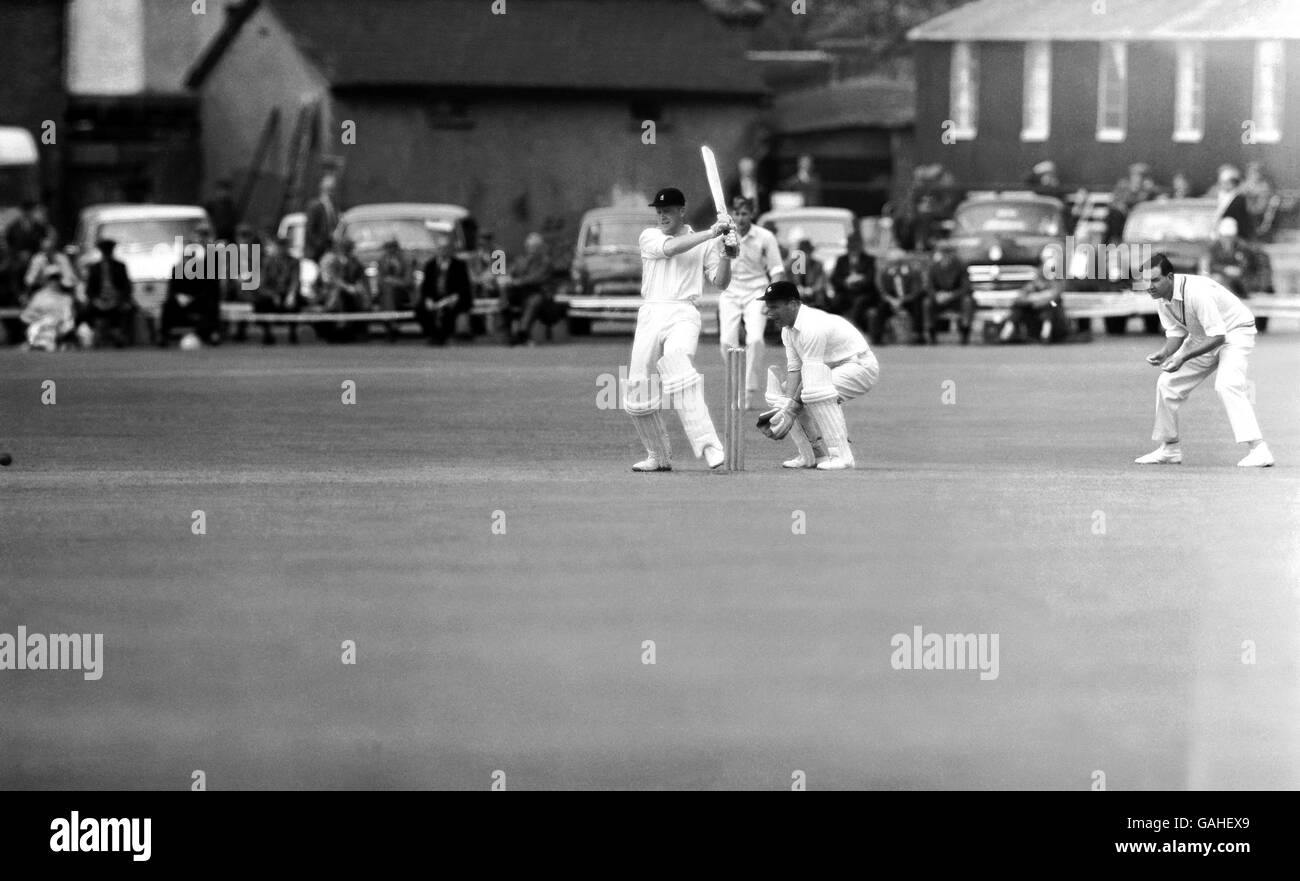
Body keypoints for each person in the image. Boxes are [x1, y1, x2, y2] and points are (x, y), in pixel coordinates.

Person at [624, 186, 734, 472]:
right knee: (638, 388)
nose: (662, 216)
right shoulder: (649, 236)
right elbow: (671, 249)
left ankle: (710, 445)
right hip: (651, 311)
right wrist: (713, 233)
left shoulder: (705, 241)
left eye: (668, 211)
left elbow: (721, 283)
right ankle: (658, 456)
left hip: (684, 311)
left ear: (682, 211)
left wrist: (727, 254)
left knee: (677, 367)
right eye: (659, 211)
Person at [1133, 253, 1272, 467]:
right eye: (1146, 281)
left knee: (1227, 384)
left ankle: (1259, 449)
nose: (1149, 286)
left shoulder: (1197, 292)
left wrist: (1183, 357)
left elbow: (1218, 337)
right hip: (1202, 336)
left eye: (1154, 280)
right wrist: (1165, 352)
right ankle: (1170, 449)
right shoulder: (1162, 299)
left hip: (1235, 332)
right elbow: (1176, 333)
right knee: (1166, 384)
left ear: (1170, 277)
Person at [757, 280, 879, 471]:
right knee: (785, 394)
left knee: (815, 391)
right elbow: (795, 370)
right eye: (768, 307)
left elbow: (810, 374)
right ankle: (811, 455)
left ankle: (842, 457)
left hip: (859, 366)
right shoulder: (787, 331)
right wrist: (786, 407)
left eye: (774, 307)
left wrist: (790, 412)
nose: (769, 313)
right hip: (831, 369)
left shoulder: (811, 326)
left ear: (792, 304)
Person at [717, 197, 784, 408]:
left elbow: (777, 270)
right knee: (727, 342)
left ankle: (747, 390)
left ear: (752, 214)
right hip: (730, 292)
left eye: (744, 214)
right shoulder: (724, 236)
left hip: (756, 291)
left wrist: (771, 298)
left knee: (755, 339)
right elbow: (715, 267)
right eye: (736, 214)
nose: (740, 218)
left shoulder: (765, 237)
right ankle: (735, 387)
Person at [159, 226, 221, 347]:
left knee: (211, 303)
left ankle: (212, 333)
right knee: (168, 305)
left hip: (199, 301)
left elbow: (210, 289)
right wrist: (179, 297)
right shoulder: (177, 269)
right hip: (181, 302)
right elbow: (172, 289)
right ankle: (163, 336)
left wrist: (193, 298)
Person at [414, 234, 472, 345]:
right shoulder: (430, 265)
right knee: (420, 309)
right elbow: (425, 287)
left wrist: (454, 297)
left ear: (450, 250)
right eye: (440, 248)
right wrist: (428, 299)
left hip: (454, 296)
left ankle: (443, 336)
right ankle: (433, 334)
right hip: (435, 296)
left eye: (445, 248)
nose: (443, 251)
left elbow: (464, 285)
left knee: (448, 310)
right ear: (437, 250)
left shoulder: (459, 265)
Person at [84, 239, 136, 347]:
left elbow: (126, 287)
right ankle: (94, 333)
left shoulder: (120, 266)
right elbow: (89, 290)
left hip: (116, 299)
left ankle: (118, 334)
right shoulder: (95, 268)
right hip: (100, 299)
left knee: (128, 308)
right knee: (85, 310)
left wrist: (119, 297)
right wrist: (96, 300)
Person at [503, 232, 552, 346]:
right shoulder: (520, 260)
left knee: (534, 301)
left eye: (535, 247)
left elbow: (537, 278)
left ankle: (522, 333)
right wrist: (507, 278)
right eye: (530, 247)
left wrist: (519, 282)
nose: (532, 250)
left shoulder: (545, 262)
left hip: (538, 293)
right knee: (505, 298)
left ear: (540, 248)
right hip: (519, 294)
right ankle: (506, 334)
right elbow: (510, 272)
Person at [316, 238, 368, 342]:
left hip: (348, 292)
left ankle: (351, 329)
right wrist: (347, 287)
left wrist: (358, 287)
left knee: (355, 295)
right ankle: (340, 326)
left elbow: (360, 277)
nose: (348, 250)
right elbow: (333, 279)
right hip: (330, 292)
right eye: (345, 247)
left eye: (349, 248)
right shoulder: (331, 260)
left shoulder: (354, 261)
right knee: (339, 294)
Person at [253, 235, 301, 345]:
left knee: (297, 301)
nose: (282, 249)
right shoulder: (268, 262)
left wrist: (291, 294)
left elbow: (295, 280)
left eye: (284, 246)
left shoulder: (294, 262)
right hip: (273, 294)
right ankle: (267, 333)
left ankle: (293, 333)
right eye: (280, 246)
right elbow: (262, 284)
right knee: (260, 302)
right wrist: (273, 295)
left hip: (287, 294)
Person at [922, 249, 974, 345]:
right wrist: (936, 295)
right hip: (938, 300)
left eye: (948, 254)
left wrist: (951, 295)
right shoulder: (933, 268)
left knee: (967, 301)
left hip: (956, 299)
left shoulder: (960, 267)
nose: (946, 257)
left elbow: (966, 286)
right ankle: (931, 334)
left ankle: (965, 335)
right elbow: (929, 286)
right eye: (943, 254)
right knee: (927, 303)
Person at [829, 233, 878, 335]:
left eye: (856, 244)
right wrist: (845, 282)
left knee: (859, 303)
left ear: (860, 245)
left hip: (863, 292)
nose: (854, 247)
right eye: (851, 245)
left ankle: (854, 331)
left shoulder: (869, 260)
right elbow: (834, 278)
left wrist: (859, 280)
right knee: (835, 302)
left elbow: (871, 279)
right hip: (845, 291)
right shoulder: (841, 260)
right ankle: (832, 331)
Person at [20, 264, 76, 351]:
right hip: (39, 329)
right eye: (51, 278)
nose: (54, 281)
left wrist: (59, 330)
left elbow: (69, 321)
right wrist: (38, 320)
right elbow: (25, 316)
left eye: (56, 278)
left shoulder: (66, 298)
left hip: (56, 332)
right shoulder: (38, 296)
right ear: (46, 280)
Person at [376, 237, 414, 343]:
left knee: (389, 292)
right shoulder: (382, 260)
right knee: (388, 292)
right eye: (388, 248)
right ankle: (392, 324)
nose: (390, 250)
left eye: (393, 247)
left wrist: (394, 281)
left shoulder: (406, 260)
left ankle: (390, 323)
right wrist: (387, 283)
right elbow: (379, 281)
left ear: (397, 248)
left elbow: (408, 282)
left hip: (403, 292)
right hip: (386, 293)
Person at [1205, 165, 1255, 241]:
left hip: (1236, 233)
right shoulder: (1222, 195)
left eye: (1225, 183)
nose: (1222, 185)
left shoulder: (1239, 198)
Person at [23, 228, 78, 293]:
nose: (48, 252)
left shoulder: (62, 258)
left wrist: (59, 281)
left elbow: (70, 278)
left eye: (51, 249)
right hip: (41, 291)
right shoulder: (37, 259)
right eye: (46, 250)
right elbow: (29, 280)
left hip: (60, 292)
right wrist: (38, 276)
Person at [304, 174, 341, 263]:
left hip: (329, 251)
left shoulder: (334, 207)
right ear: (323, 189)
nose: (331, 192)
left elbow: (334, 226)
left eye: (333, 189)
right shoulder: (314, 206)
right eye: (329, 189)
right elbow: (310, 232)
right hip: (316, 253)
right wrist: (321, 244)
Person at [787, 237, 827, 309]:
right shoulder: (791, 265)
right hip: (794, 298)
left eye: (807, 252)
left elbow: (820, 283)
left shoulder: (818, 265)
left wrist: (811, 290)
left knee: (820, 297)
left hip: (812, 297)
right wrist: (796, 289)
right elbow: (786, 282)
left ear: (810, 252)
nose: (805, 255)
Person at [204, 179, 239, 243]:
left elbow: (234, 222)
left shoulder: (231, 206)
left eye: (225, 191)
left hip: (227, 236)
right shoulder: (210, 205)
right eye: (220, 190)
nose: (223, 193)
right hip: (213, 234)